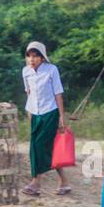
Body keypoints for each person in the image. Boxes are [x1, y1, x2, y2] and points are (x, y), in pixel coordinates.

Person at [21, 41, 72, 196]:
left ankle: (36, 182)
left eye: (36, 56)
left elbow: (58, 94)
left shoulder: (51, 70)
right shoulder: (25, 72)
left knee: (38, 146)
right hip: (34, 113)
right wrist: (29, 114)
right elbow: (29, 93)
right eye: (29, 56)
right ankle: (64, 181)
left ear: (42, 58)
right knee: (45, 147)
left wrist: (61, 118)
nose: (32, 59)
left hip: (50, 113)